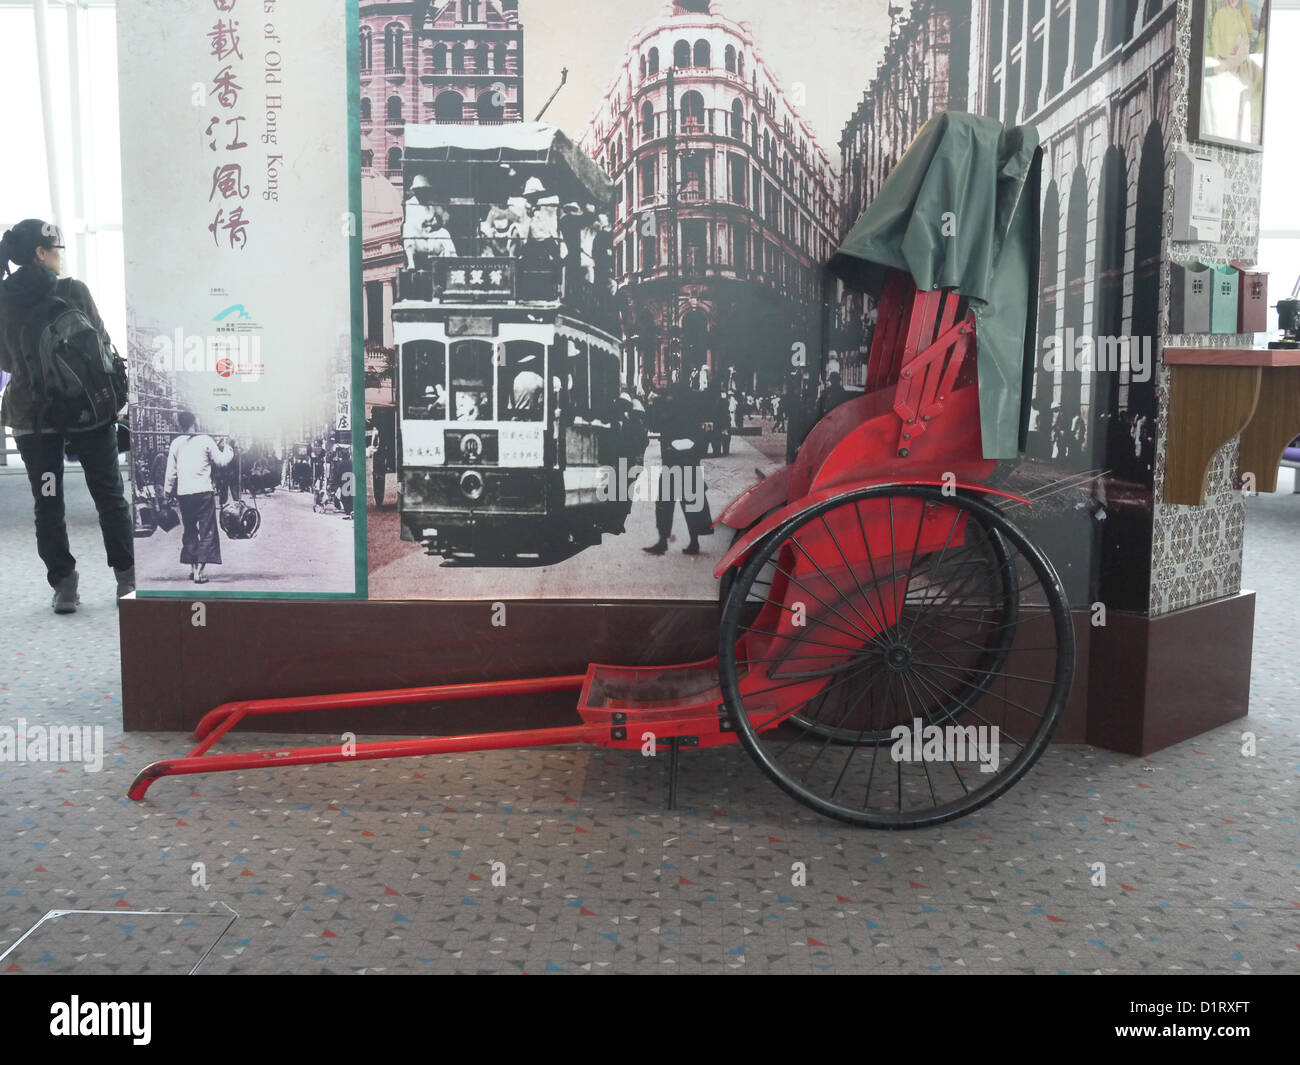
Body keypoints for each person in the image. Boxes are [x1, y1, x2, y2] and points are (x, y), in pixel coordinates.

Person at [0, 219, 133, 613]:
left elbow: (6, 361)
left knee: (48, 501)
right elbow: (102, 344)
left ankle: (65, 587)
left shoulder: (2, 299)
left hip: (32, 418)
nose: (60, 257)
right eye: (56, 250)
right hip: (87, 412)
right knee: (109, 495)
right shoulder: (74, 290)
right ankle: (126, 578)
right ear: (41, 254)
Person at [645, 377, 712, 556]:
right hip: (686, 463)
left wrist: (653, 404)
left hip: (675, 462)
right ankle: (693, 542)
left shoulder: (670, 410)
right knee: (690, 504)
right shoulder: (692, 410)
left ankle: (663, 541)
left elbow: (654, 425)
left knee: (665, 503)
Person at [164, 411, 234, 583]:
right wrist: (229, 446)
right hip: (203, 493)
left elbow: (171, 473)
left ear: (180, 425)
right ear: (195, 422)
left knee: (190, 531)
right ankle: (199, 573)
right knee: (207, 530)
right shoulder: (205, 440)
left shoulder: (176, 443)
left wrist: (167, 493)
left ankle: (193, 568)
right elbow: (222, 461)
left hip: (184, 494)